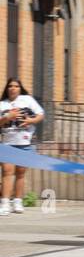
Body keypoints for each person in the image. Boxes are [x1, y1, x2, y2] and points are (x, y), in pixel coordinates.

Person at [0, 78, 45, 215]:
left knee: (20, 173)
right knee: (7, 171)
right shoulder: (2, 104)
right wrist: (8, 116)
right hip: (7, 143)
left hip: (25, 143)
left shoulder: (27, 100)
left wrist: (31, 120)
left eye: (16, 86)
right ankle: (5, 203)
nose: (13, 88)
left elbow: (41, 114)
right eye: (10, 86)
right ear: (7, 89)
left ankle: (18, 201)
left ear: (20, 88)